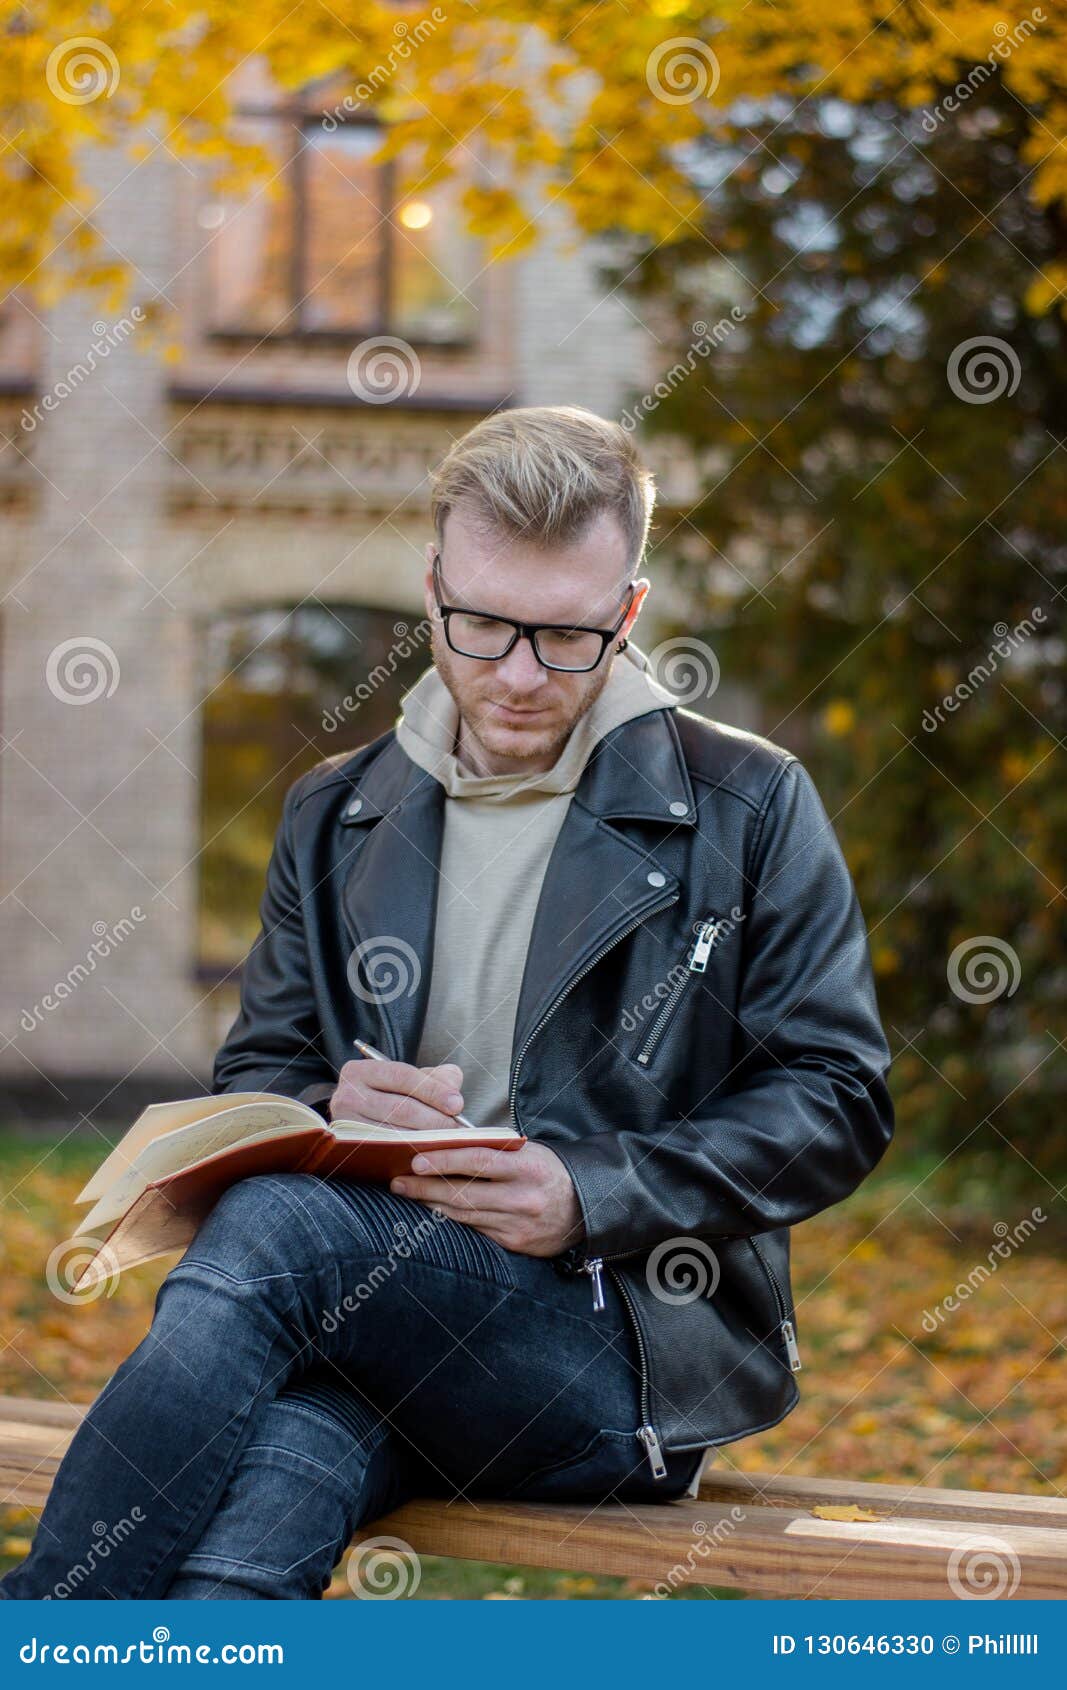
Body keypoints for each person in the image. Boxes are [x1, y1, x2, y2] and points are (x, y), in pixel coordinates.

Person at [2, 405, 893, 1600]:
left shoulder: (747, 803)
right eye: (481, 626)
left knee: (273, 1234)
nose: (519, 676)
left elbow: (834, 1095)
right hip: (374, 1327)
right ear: (430, 592)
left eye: (567, 637)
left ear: (627, 613)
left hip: (613, 1347)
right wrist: (327, 1104)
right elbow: (258, 1075)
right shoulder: (335, 812)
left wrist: (590, 1190)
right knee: (264, 1503)